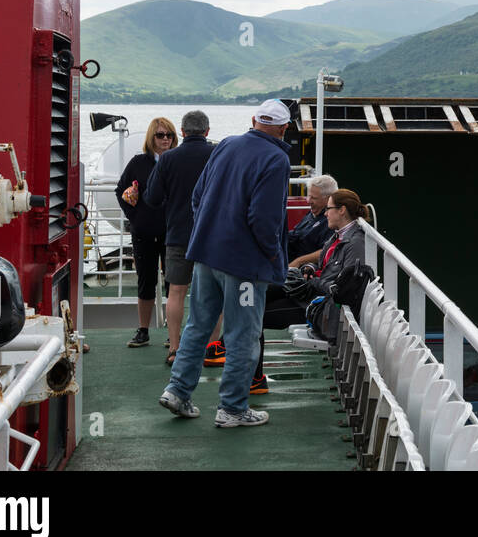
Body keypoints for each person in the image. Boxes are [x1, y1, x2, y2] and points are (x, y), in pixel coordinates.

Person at [158, 99, 292, 427]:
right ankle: (232, 409)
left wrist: (210, 232)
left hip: (206, 254)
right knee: (242, 334)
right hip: (245, 266)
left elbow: (198, 196)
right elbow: (264, 217)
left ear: (253, 119)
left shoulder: (227, 144)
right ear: (284, 128)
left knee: (198, 324)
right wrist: (272, 254)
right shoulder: (277, 158)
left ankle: (178, 391)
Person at [204, 174, 338, 374]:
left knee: (253, 309)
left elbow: (325, 252)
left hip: (299, 287)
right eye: (309, 196)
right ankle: (229, 347)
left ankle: (245, 367)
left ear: (330, 202)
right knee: (249, 297)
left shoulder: (332, 226)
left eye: (314, 198)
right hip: (287, 275)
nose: (308, 201)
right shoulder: (312, 217)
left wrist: (300, 263)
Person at [253, 188, 368, 392]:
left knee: (255, 317)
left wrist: (312, 280)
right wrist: (310, 269)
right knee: (258, 297)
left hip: (318, 306)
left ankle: (255, 380)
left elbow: (341, 288)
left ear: (342, 211)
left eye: (329, 209)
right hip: (311, 296)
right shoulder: (337, 237)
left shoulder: (355, 243)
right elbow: (326, 270)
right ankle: (246, 368)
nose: (325, 213)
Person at [144, 110, 215, 364]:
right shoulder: (217, 154)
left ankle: (174, 349)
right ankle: (211, 348)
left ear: (182, 132)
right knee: (213, 292)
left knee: (176, 291)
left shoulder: (168, 159)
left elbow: (152, 198)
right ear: (207, 131)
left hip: (178, 233)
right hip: (212, 234)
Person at [116, 118, 178, 348]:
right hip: (144, 232)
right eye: (160, 135)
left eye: (169, 135)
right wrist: (135, 218)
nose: (165, 139)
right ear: (151, 138)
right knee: (146, 281)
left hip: (172, 233)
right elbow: (120, 190)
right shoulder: (138, 163)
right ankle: (143, 330)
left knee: (174, 283)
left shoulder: (176, 162)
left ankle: (173, 334)